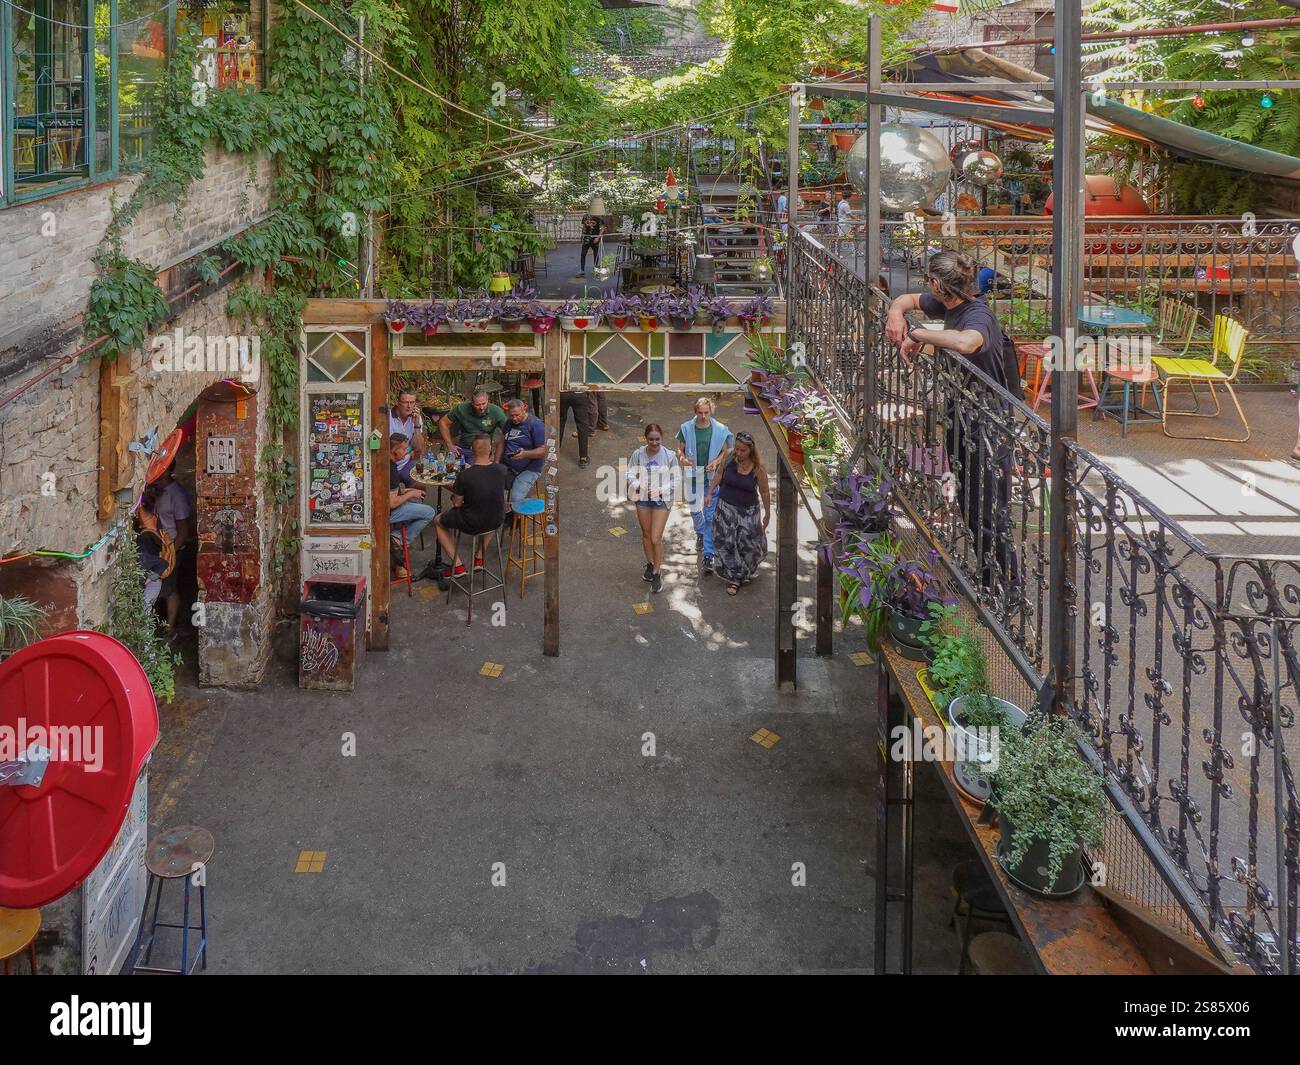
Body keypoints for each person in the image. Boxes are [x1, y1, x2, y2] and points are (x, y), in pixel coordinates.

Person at [885, 249, 1021, 592]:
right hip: (963, 415)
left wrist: (918, 335)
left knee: (989, 507)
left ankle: (1007, 585)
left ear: (937, 282)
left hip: (988, 423)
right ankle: (988, 578)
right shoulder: (948, 303)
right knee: (968, 500)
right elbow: (905, 299)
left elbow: (967, 342)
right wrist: (896, 312)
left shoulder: (979, 315)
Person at [705, 431, 771, 596]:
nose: (739, 453)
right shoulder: (728, 457)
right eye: (737, 449)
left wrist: (768, 513)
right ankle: (736, 577)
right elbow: (719, 474)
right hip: (725, 509)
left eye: (743, 450)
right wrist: (709, 492)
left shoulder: (758, 469)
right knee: (726, 543)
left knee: (747, 545)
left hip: (748, 512)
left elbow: (765, 492)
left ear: (751, 451)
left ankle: (744, 570)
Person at [434, 434, 509, 575]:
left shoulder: (465, 475)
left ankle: (458, 565)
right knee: (491, 510)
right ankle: (479, 557)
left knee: (438, 521)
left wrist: (455, 494)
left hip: (472, 522)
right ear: (490, 448)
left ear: (471, 450)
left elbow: (456, 503)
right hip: (497, 519)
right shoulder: (502, 470)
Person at [675, 396, 733, 576]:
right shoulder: (686, 428)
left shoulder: (720, 430)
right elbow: (680, 449)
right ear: (695, 412)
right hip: (694, 475)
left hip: (711, 477)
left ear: (711, 411)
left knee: (709, 516)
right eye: (700, 413)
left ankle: (708, 555)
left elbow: (727, 450)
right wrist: (682, 458)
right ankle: (700, 533)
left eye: (706, 413)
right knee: (694, 510)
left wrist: (716, 462)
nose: (703, 416)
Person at [626, 424, 681, 594]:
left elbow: (677, 480)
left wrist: (661, 490)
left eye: (657, 439)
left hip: (661, 500)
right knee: (646, 534)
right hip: (642, 499)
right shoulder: (638, 454)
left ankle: (657, 572)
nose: (654, 443)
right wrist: (637, 483)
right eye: (651, 439)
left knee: (656, 538)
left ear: (662, 438)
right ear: (646, 439)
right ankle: (650, 563)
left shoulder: (669, 456)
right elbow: (629, 473)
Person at [388, 434, 437, 579]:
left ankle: (397, 556)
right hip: (388, 512)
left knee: (418, 501)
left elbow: (390, 492)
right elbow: (392, 503)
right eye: (403, 449)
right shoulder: (391, 469)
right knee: (429, 512)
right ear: (394, 450)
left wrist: (406, 491)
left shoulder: (388, 464)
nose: (407, 451)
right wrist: (410, 494)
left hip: (388, 504)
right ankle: (399, 539)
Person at [152, 464, 193, 638]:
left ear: (168, 470)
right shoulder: (156, 491)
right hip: (157, 547)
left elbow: (183, 531)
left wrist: (170, 554)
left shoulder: (176, 494)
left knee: (169, 587)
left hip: (173, 547)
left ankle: (170, 628)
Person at [439, 389, 507, 465]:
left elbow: (507, 432)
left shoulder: (496, 412)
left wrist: (495, 455)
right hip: (464, 448)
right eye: (477, 405)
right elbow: (443, 422)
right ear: (472, 403)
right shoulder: (462, 409)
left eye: (484, 403)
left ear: (488, 400)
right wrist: (450, 445)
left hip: (483, 451)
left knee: (476, 471)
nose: (481, 408)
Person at [134, 484, 173, 611]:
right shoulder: (154, 529)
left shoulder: (145, 539)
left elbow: (163, 563)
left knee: (144, 612)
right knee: (144, 612)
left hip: (152, 581)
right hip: (153, 579)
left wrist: (149, 579)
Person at [501, 398, 546, 505]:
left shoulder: (536, 425)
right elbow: (501, 442)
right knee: (488, 487)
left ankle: (515, 519)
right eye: (511, 415)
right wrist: (495, 462)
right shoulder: (509, 423)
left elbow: (544, 451)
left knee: (515, 498)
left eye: (517, 415)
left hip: (530, 468)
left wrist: (525, 454)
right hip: (508, 465)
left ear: (524, 410)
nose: (514, 418)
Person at [388, 390, 426, 474]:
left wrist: (416, 425)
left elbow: (419, 447)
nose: (409, 406)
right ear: (397, 402)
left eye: (412, 402)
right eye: (405, 402)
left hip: (406, 463)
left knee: (420, 482)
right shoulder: (387, 417)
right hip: (389, 463)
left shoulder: (416, 418)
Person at [559, 386, 591, 468]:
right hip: (580, 393)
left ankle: (555, 449)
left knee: (560, 421)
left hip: (563, 392)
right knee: (582, 425)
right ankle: (583, 458)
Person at [836, 188, 855, 260]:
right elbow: (849, 214)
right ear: (849, 197)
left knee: (846, 237)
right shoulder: (845, 205)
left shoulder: (841, 203)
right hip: (844, 223)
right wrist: (856, 219)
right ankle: (853, 251)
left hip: (842, 222)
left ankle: (853, 251)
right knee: (847, 237)